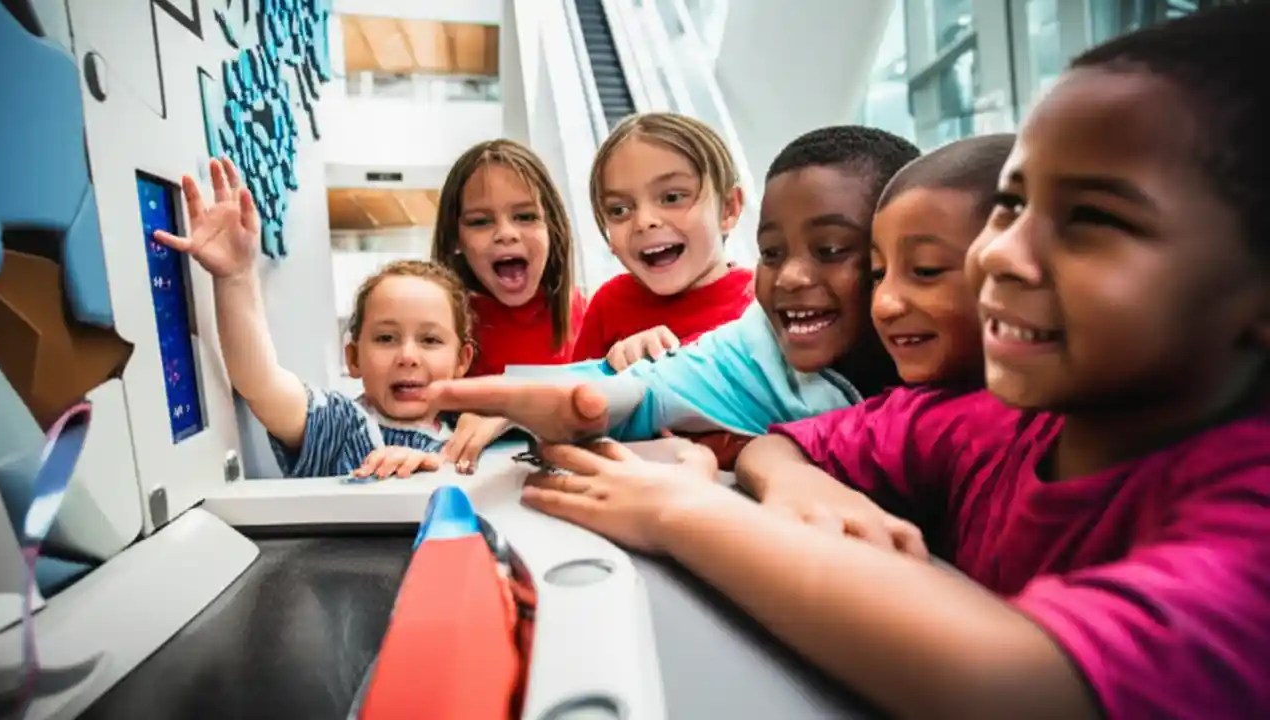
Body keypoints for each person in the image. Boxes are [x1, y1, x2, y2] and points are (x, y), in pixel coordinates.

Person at [510, 6, 1270, 717]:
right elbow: (785, 443)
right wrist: (799, 483)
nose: (999, 252)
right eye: (1013, 205)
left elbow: (1016, 682)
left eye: (1094, 219)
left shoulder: (1249, 527)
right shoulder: (981, 422)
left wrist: (685, 514)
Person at [428, 126, 918, 466]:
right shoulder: (756, 341)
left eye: (830, 249)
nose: (789, 276)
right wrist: (530, 405)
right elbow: (640, 390)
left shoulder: (954, 404)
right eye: (771, 252)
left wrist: (763, 461)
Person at [737, 133, 1013, 539]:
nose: (883, 303)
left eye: (926, 270)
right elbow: (772, 449)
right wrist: (794, 481)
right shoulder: (919, 417)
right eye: (878, 274)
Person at [155, 161, 472, 479]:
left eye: (430, 340)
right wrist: (236, 277)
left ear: (462, 360)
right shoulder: (339, 422)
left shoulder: (471, 438)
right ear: (352, 357)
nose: (407, 357)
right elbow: (259, 382)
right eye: (386, 338)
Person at [430, 139, 587, 470]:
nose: (506, 233)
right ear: (455, 238)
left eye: (526, 216)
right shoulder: (438, 325)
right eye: (480, 221)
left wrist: (512, 409)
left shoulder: (583, 312)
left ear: (553, 228)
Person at [572, 113, 755, 371]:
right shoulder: (609, 305)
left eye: (672, 198)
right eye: (620, 210)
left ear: (728, 209)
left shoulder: (761, 302)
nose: (644, 221)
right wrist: (609, 369)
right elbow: (571, 401)